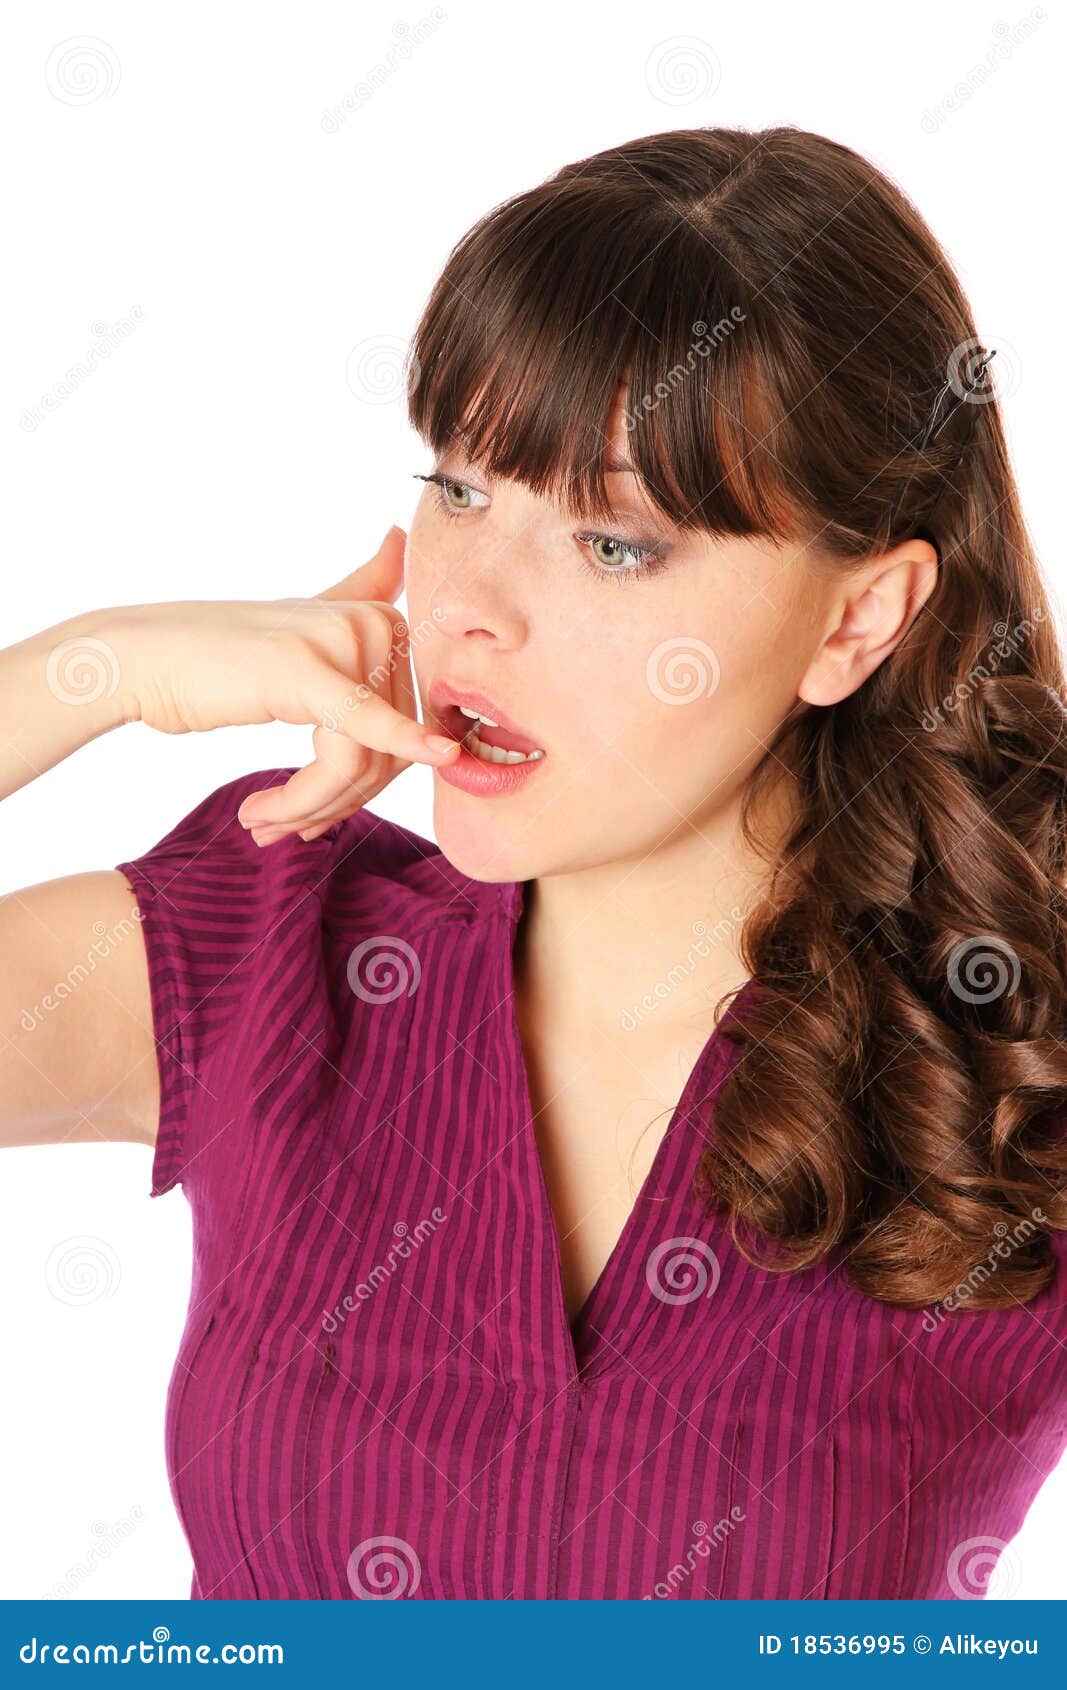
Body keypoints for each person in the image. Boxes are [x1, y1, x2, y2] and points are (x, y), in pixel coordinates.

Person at [3, 124, 1067, 1602]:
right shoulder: (275, 935)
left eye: (615, 544)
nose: (473, 611)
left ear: (856, 621)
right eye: (460, 488)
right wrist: (90, 668)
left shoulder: (1013, 1073)